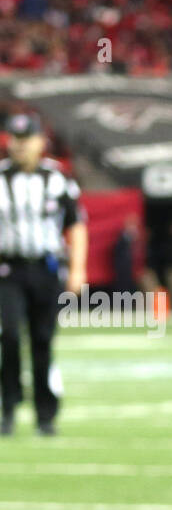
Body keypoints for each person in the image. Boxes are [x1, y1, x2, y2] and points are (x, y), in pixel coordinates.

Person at [0, 114, 87, 436]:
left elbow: (76, 224)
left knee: (42, 340)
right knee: (8, 335)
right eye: (15, 138)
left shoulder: (57, 178)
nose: (20, 145)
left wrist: (78, 268)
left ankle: (45, 415)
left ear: (40, 142)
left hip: (46, 268)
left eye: (27, 139)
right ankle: (7, 408)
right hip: (7, 269)